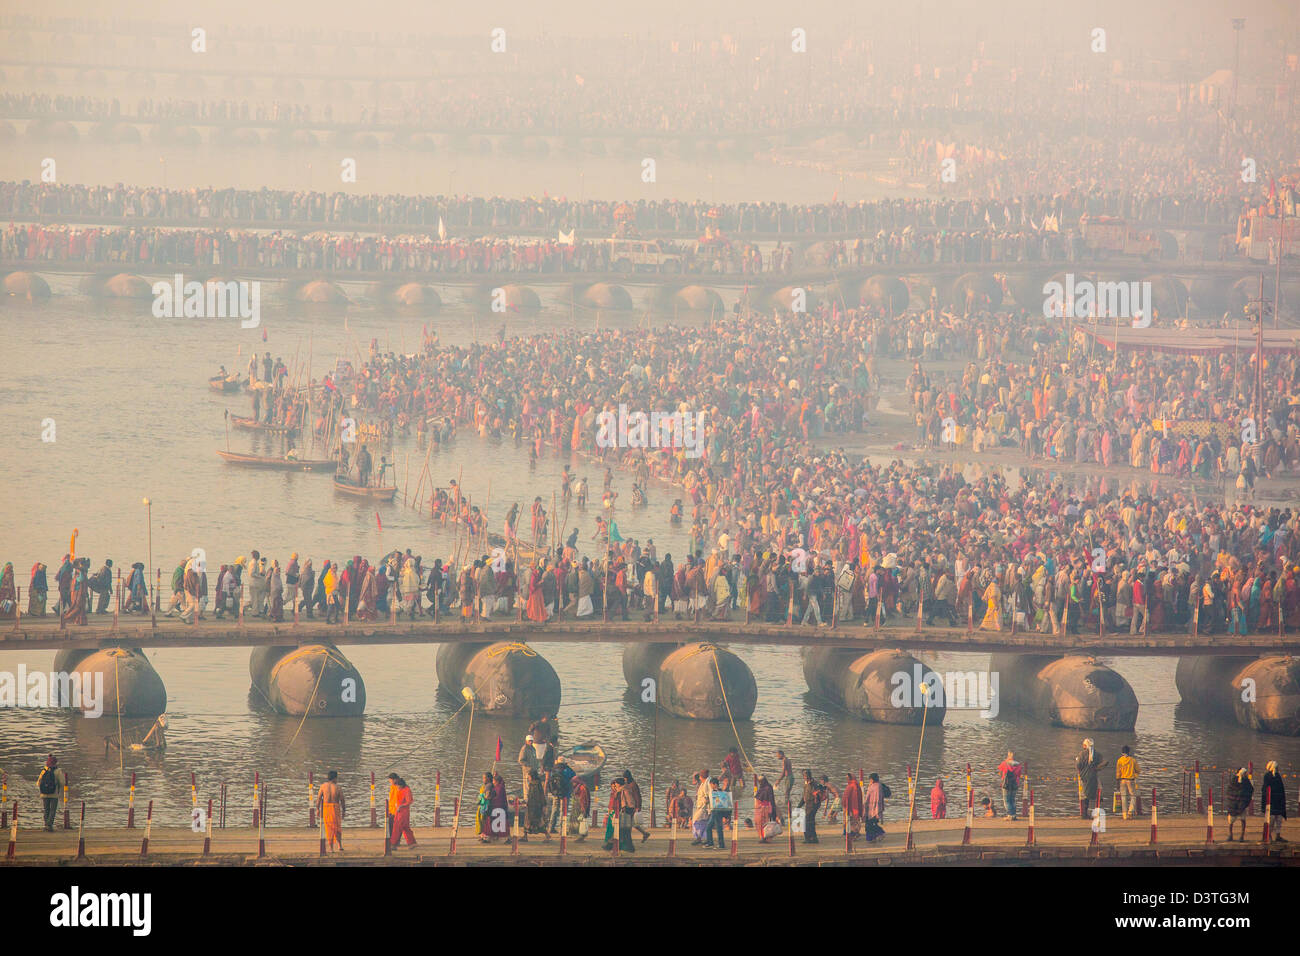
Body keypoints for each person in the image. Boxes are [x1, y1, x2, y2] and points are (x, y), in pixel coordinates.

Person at [1075, 739, 1106, 819]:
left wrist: (1081, 773)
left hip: (1083, 777)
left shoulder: (1081, 754)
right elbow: (1104, 762)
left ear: (1085, 745)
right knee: (1091, 793)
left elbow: (1078, 765)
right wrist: (1096, 768)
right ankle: (1095, 812)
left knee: (1084, 795)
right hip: (1093, 777)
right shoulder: (1097, 754)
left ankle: (1084, 814)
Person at [316, 770, 346, 852]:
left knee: (329, 828)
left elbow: (318, 798)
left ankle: (331, 848)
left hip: (326, 808)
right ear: (335, 778)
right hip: (335, 807)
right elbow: (342, 800)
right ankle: (340, 845)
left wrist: (317, 809)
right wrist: (344, 811)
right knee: (337, 827)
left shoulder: (323, 786)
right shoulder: (337, 787)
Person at [1224, 767, 1253, 842]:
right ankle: (1232, 835)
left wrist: (1243, 800)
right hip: (1234, 805)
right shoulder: (1234, 780)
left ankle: (1240, 836)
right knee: (1232, 821)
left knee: (1241, 820)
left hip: (1241, 805)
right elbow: (1230, 790)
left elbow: (1250, 790)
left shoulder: (1246, 781)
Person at [1261, 761, 1287, 842]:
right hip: (1271, 802)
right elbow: (1265, 789)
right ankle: (1268, 835)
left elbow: (1281, 788)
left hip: (1278, 802)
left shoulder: (1278, 776)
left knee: (1279, 819)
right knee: (1271, 820)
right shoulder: (1267, 776)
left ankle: (1278, 836)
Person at [37, 755, 63, 832]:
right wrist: (57, 787)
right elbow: (62, 782)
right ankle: (49, 825)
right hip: (54, 794)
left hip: (44, 794)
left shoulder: (44, 771)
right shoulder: (58, 771)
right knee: (53, 810)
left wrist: (43, 788)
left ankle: (46, 825)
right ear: (56, 762)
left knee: (46, 809)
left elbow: (38, 783)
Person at [389, 776, 416, 849]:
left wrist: (400, 806)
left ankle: (393, 844)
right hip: (398, 811)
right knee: (405, 827)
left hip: (403, 812)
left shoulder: (406, 790)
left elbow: (409, 801)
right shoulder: (399, 790)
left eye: (398, 786)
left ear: (401, 785)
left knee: (397, 827)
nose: (397, 787)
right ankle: (412, 843)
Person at [864, 773, 891, 842]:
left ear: (872, 779)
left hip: (871, 808)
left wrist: (864, 807)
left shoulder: (872, 787)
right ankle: (874, 836)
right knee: (873, 823)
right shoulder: (880, 785)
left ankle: (875, 836)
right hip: (878, 808)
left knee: (869, 824)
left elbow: (867, 798)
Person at [705, 777, 731, 849]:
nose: (710, 786)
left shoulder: (719, 792)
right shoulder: (713, 792)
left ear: (715, 784)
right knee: (709, 827)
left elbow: (719, 802)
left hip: (717, 811)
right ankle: (710, 843)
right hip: (714, 811)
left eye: (711, 785)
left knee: (718, 828)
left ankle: (721, 845)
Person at [1115, 745, 1140, 820]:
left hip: (1122, 780)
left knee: (1123, 797)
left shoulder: (1119, 760)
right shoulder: (1133, 760)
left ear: (1122, 752)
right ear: (1129, 751)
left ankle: (1124, 815)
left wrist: (1117, 781)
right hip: (1130, 780)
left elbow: (1118, 772)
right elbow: (1138, 770)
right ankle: (1130, 811)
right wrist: (1135, 775)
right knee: (1133, 796)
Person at [996, 750, 1022, 820]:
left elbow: (1000, 772)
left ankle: (1010, 815)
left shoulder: (1004, 763)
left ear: (1009, 754)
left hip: (1006, 784)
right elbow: (1019, 775)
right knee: (1012, 800)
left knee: (1006, 800)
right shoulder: (1018, 765)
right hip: (1015, 783)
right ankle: (1014, 815)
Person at [799, 770, 820, 843]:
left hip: (813, 805)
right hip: (808, 805)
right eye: (804, 776)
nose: (805, 777)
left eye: (806, 776)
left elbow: (816, 796)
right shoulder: (806, 784)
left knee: (807, 822)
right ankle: (812, 838)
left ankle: (809, 838)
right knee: (809, 822)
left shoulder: (813, 784)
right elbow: (804, 797)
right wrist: (799, 806)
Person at [842, 773, 864, 844]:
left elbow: (854, 798)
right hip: (849, 807)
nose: (847, 779)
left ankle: (854, 835)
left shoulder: (853, 786)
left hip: (852, 808)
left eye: (848, 778)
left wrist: (852, 809)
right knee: (850, 822)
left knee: (852, 822)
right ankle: (852, 835)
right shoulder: (851, 785)